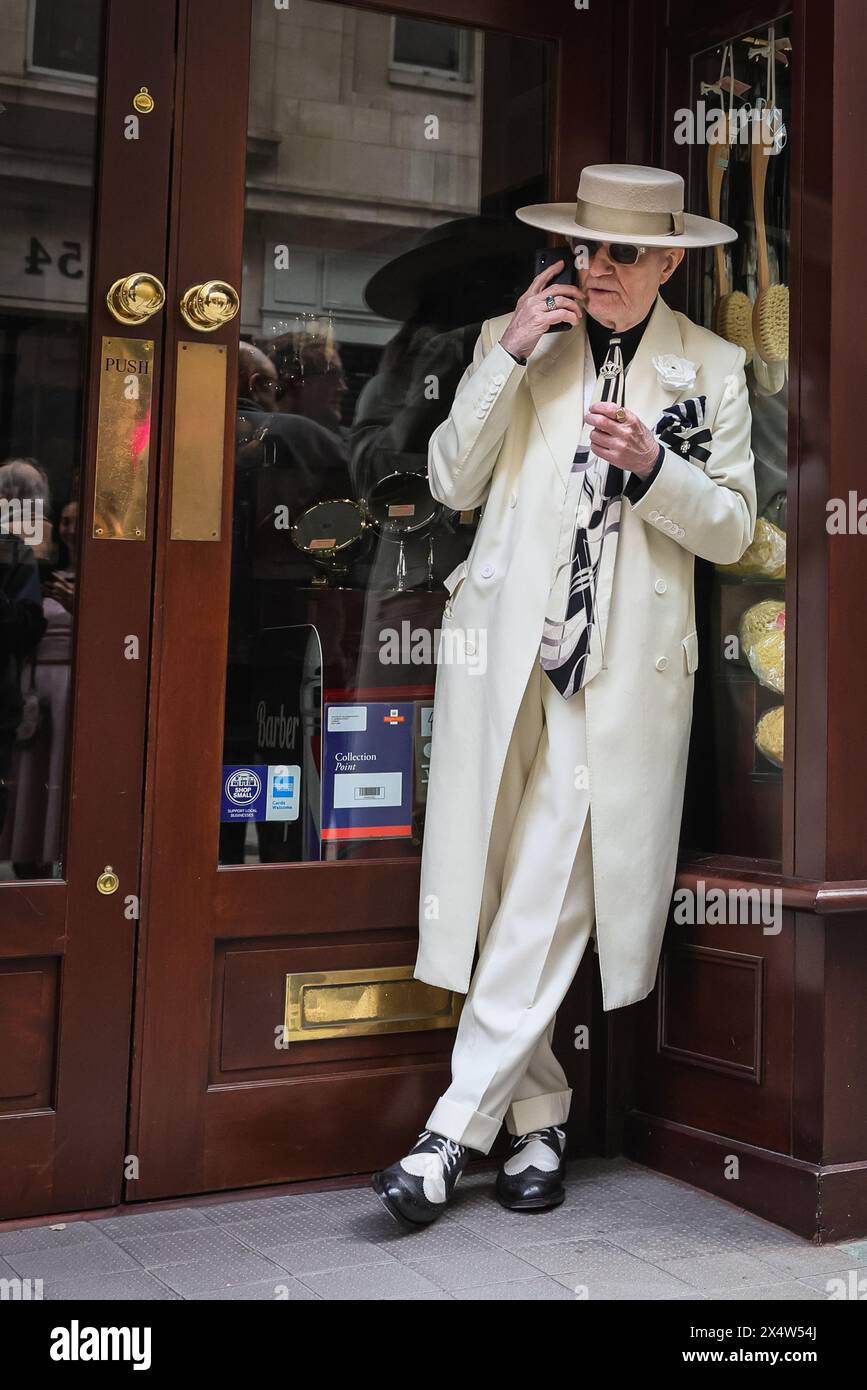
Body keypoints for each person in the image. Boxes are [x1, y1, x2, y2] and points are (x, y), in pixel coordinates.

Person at [372, 164, 757, 1228]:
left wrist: (652, 473)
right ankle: (538, 1122)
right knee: (498, 883)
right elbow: (451, 480)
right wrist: (504, 356)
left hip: (617, 678)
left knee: (550, 878)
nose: (597, 270)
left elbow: (732, 528)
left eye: (623, 254)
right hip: (504, 659)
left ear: (671, 260)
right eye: (586, 249)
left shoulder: (712, 368)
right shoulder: (523, 337)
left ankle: (449, 1135)